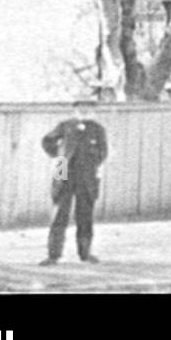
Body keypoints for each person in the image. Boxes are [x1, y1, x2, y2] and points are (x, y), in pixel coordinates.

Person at [40, 106, 108, 265]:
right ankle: (53, 255)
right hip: (63, 169)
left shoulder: (97, 129)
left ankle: (85, 253)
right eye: (80, 108)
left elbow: (103, 152)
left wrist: (90, 164)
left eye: (88, 108)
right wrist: (59, 155)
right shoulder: (65, 125)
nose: (84, 111)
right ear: (75, 110)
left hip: (86, 174)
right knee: (59, 214)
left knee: (85, 214)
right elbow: (47, 141)